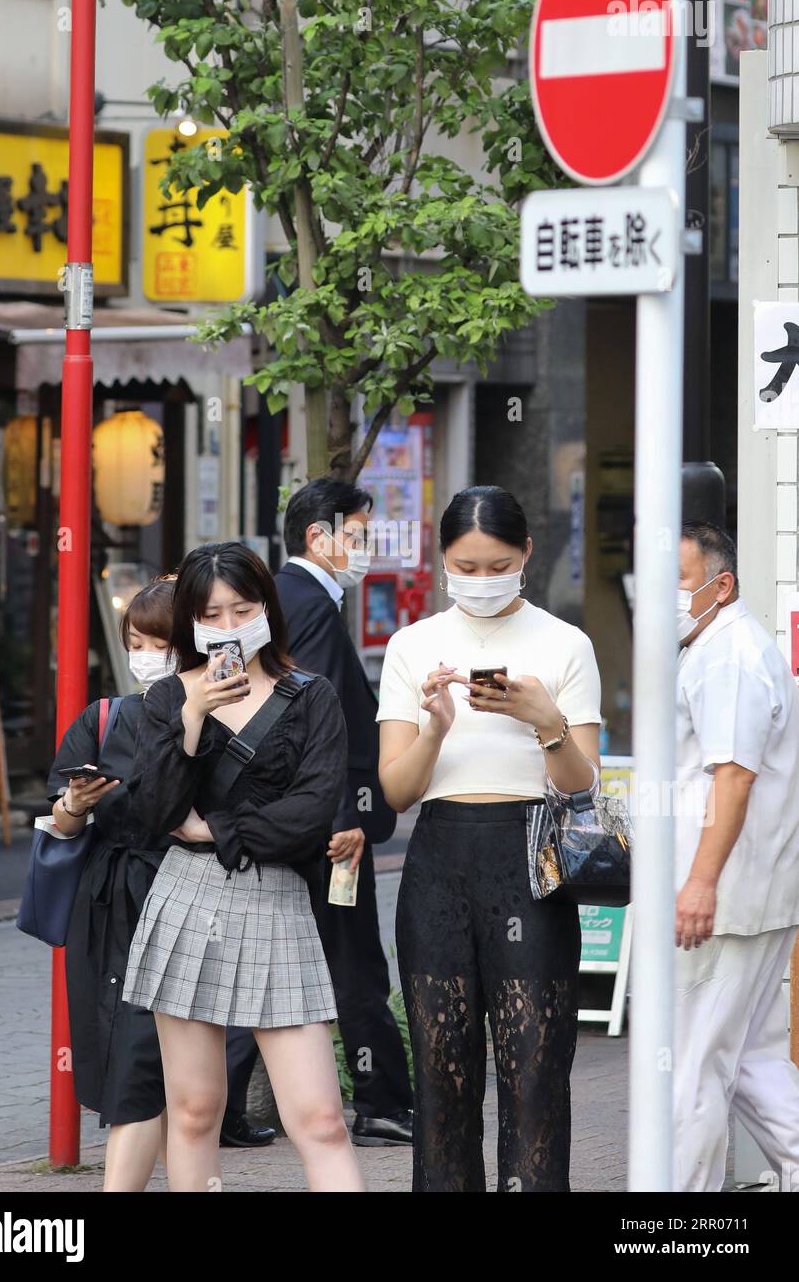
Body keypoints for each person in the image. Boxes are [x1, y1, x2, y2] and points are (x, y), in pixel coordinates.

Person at [121, 543, 366, 1193]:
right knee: (197, 1112)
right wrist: (194, 715)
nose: (229, 627)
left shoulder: (310, 696)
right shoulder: (168, 697)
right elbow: (155, 809)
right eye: (212, 614)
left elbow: (312, 813)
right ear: (190, 624)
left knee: (320, 1119)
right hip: (186, 898)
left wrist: (217, 828)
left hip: (277, 901)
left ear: (268, 609)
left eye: (243, 608)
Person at [377, 485, 602, 1192]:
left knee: (536, 1072)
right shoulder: (413, 644)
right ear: (443, 560)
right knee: (443, 1080)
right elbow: (396, 791)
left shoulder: (566, 644)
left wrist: (545, 718)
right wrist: (437, 727)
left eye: (496, 564)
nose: (480, 580)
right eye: (465, 566)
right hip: (440, 856)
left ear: (527, 554)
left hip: (529, 857)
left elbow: (581, 785)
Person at [226, 478, 413, 1147]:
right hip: (329, 827)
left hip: (292, 818)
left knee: (275, 962)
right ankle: (383, 1104)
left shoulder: (282, 598)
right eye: (357, 535)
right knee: (353, 960)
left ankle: (219, 1108)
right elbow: (313, 717)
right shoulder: (307, 603)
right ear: (319, 537)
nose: (364, 549)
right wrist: (343, 815)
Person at [673, 521, 799, 1192]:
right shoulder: (726, 647)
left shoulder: (728, 656)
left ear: (721, 585)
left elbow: (734, 776)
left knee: (694, 1070)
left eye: (678, 579)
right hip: (750, 895)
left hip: (723, 900)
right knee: (752, 1062)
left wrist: (698, 883)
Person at [46, 578, 176, 1192]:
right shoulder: (103, 718)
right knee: (121, 1049)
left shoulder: (228, 718)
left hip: (186, 893)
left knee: (160, 1067)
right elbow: (60, 823)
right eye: (137, 641)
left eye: (162, 642)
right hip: (108, 899)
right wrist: (74, 802)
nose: (147, 653)